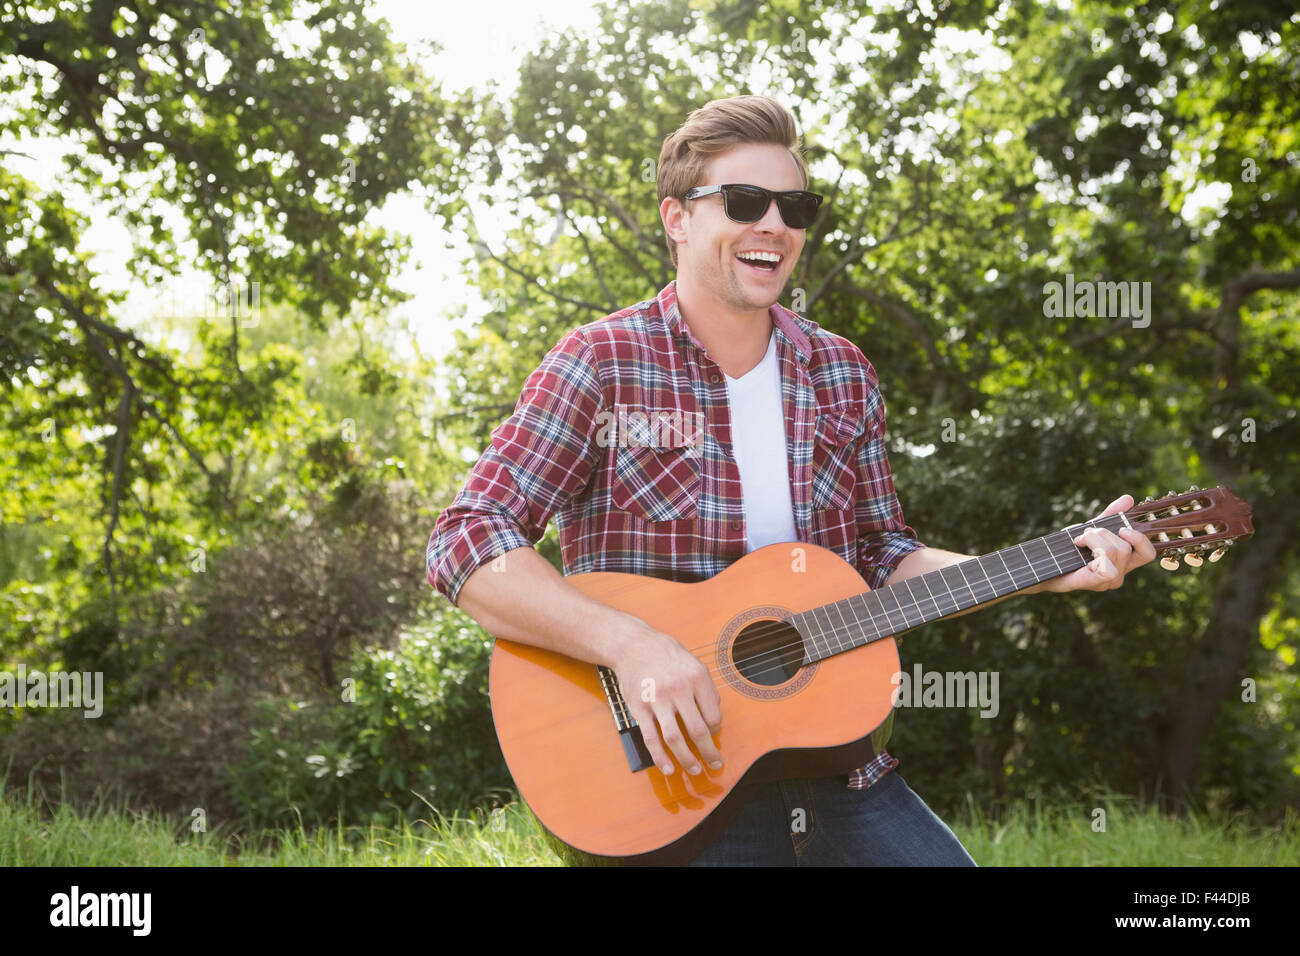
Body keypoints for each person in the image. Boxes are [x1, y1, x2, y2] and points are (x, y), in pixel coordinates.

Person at [426, 94, 1156, 866]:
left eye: (794, 206)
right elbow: (467, 539)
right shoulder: (602, 363)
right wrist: (632, 646)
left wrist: (1051, 569)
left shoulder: (840, 370)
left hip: (838, 765)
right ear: (678, 218)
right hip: (665, 774)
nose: (774, 224)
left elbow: (883, 555)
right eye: (744, 201)